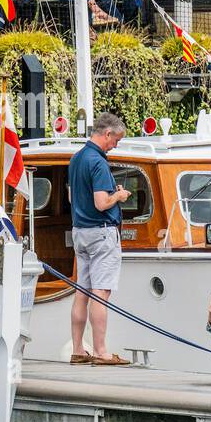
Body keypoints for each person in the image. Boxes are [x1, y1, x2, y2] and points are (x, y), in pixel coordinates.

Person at [67, 112, 132, 366]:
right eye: (115, 140)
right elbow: (101, 202)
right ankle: (101, 351)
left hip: (80, 231)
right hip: (101, 232)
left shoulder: (76, 158)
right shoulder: (98, 162)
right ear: (107, 134)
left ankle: (77, 349)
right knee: (99, 293)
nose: (115, 146)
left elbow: (73, 199)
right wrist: (120, 195)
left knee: (81, 292)